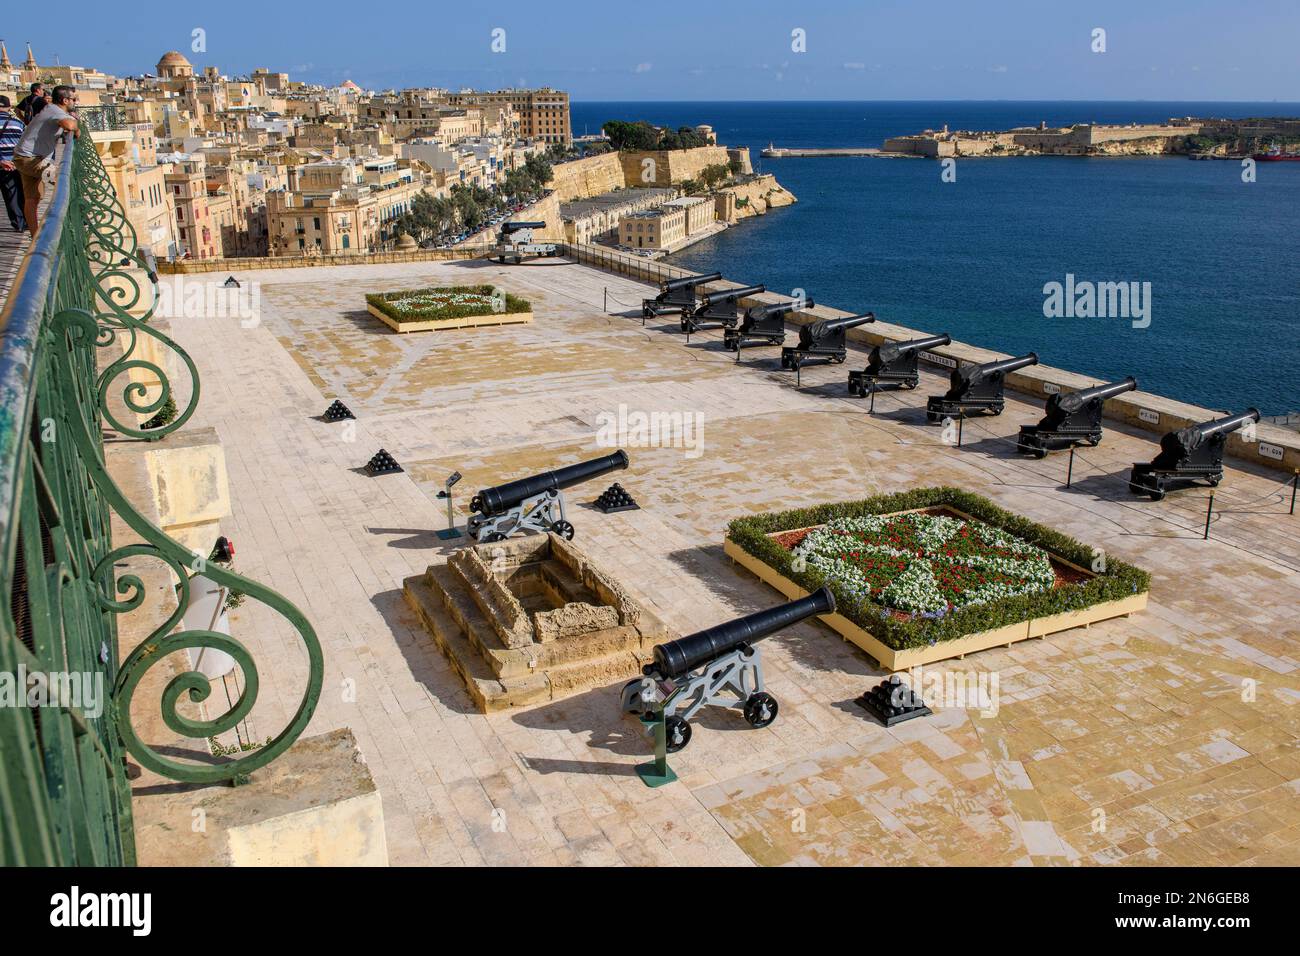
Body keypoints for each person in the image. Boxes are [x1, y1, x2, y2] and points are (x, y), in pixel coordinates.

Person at [13, 85, 78, 237]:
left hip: (24, 157)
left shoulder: (52, 109)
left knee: (33, 198)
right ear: (65, 100)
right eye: (73, 99)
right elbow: (70, 125)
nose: (75, 102)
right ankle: (67, 224)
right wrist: (75, 122)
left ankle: (35, 236)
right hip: (31, 159)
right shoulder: (55, 111)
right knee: (63, 181)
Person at [0, 95, 26, 232]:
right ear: (9, 107)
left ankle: (19, 222)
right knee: (17, 193)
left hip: (2, 163)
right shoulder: (18, 123)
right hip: (15, 164)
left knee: (11, 194)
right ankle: (22, 222)